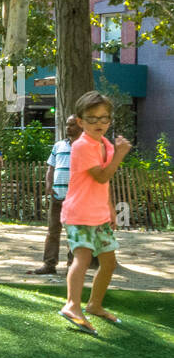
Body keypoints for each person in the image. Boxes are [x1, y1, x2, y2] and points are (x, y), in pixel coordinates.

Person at [58, 91, 131, 333]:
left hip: (98, 214)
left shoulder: (105, 144)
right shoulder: (82, 146)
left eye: (104, 118)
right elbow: (101, 175)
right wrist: (120, 156)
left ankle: (94, 305)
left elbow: (103, 184)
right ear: (80, 121)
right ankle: (71, 305)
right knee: (83, 258)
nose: (99, 123)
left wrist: (110, 208)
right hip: (79, 213)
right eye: (92, 118)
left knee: (109, 262)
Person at [28, 115, 82, 276]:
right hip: (57, 195)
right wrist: (48, 185)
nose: (68, 128)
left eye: (72, 125)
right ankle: (49, 264)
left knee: (74, 232)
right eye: (67, 124)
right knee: (52, 231)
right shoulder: (58, 145)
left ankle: (72, 267)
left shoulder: (84, 147)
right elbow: (51, 167)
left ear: (80, 126)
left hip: (75, 198)